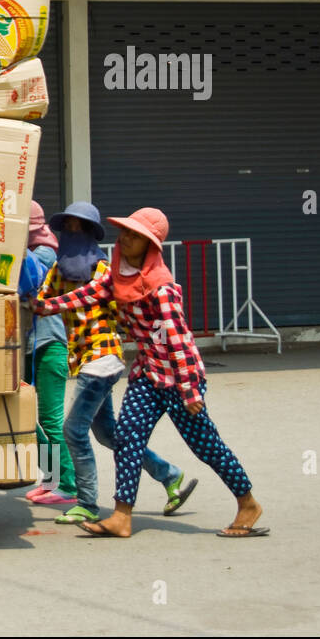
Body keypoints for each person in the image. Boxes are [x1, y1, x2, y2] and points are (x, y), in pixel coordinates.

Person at [32, 208, 265, 539]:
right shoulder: (118, 277)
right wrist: (46, 306)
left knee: (205, 445)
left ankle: (248, 503)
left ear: (150, 246)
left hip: (178, 377)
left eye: (135, 237)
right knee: (127, 439)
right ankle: (121, 516)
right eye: (126, 233)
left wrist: (189, 390)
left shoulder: (161, 287)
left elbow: (179, 340)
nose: (125, 240)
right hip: (147, 373)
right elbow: (89, 294)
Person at [37, 202, 195, 525]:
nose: (71, 233)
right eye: (67, 227)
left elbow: (95, 299)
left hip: (103, 359)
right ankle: (170, 475)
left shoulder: (103, 270)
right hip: (84, 361)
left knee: (72, 430)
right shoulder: (57, 270)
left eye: (79, 228)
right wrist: (34, 303)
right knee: (109, 434)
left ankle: (87, 501)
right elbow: (43, 300)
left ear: (91, 234)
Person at [20, 202, 76, 505]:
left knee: (50, 420)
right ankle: (53, 477)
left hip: (49, 345)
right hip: (28, 344)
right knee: (27, 417)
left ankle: (68, 483)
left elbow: (26, 278)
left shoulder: (44, 254)